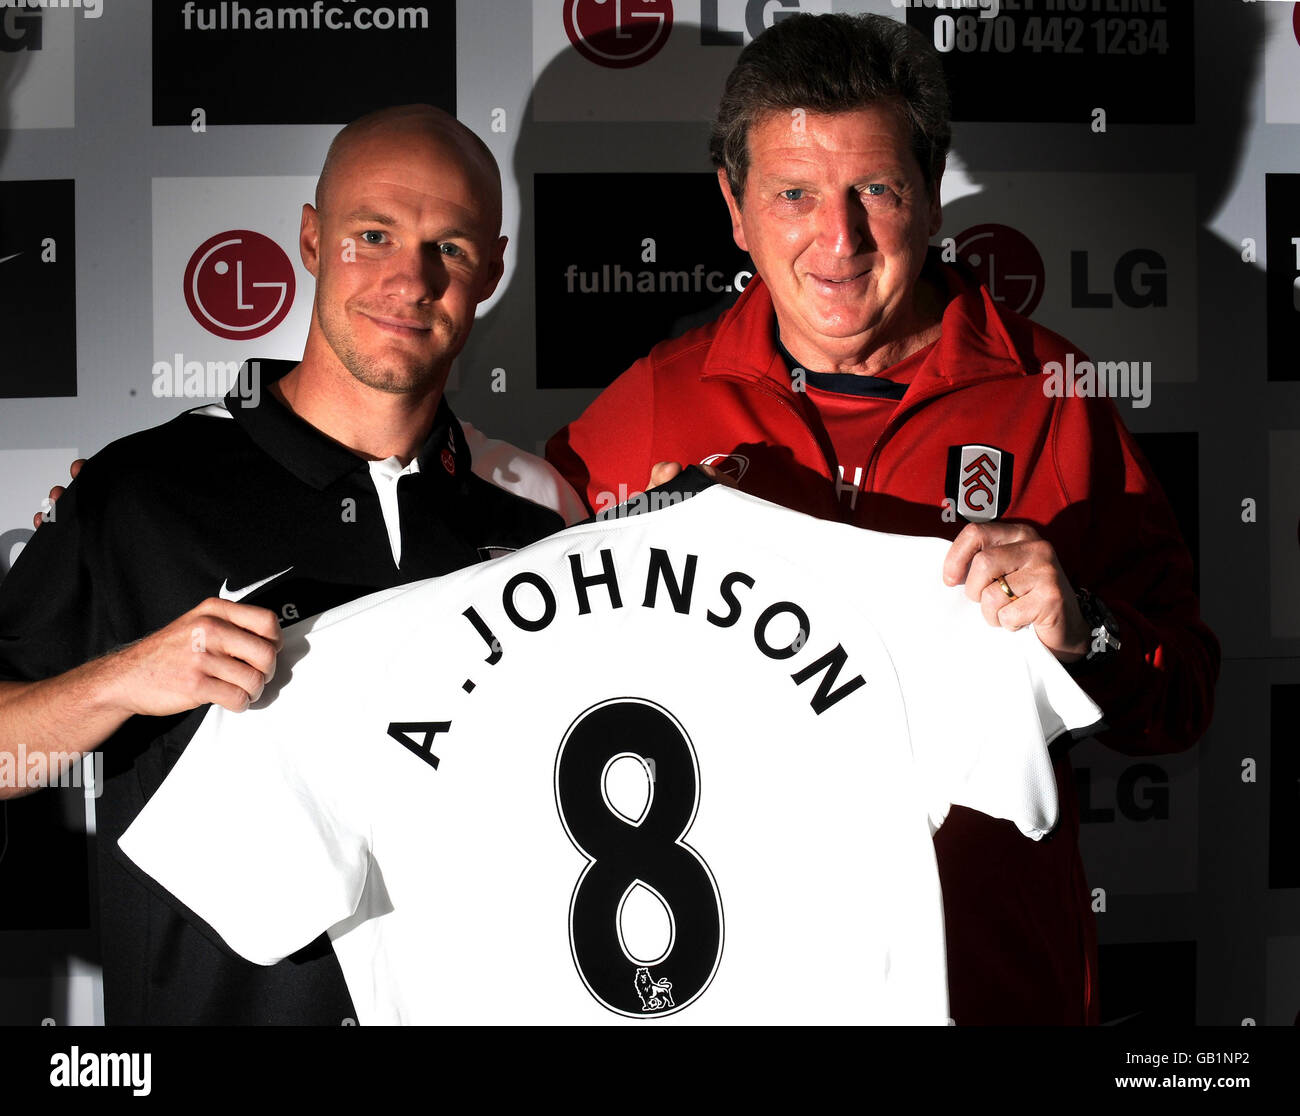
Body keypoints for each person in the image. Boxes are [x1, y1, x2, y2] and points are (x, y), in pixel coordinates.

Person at [545, 13, 1220, 1025]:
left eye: (875, 190)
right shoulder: (645, 407)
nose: (838, 239)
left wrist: (1085, 628)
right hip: (734, 990)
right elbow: (517, 675)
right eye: (793, 194)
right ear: (734, 208)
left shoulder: (1056, 397)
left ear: (931, 196)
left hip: (988, 988)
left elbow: (1184, 700)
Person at [0, 105, 580, 1024]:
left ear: (493, 272)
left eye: (452, 250)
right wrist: (125, 680)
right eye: (373, 235)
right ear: (312, 239)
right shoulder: (141, 490)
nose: (410, 280)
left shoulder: (538, 516)